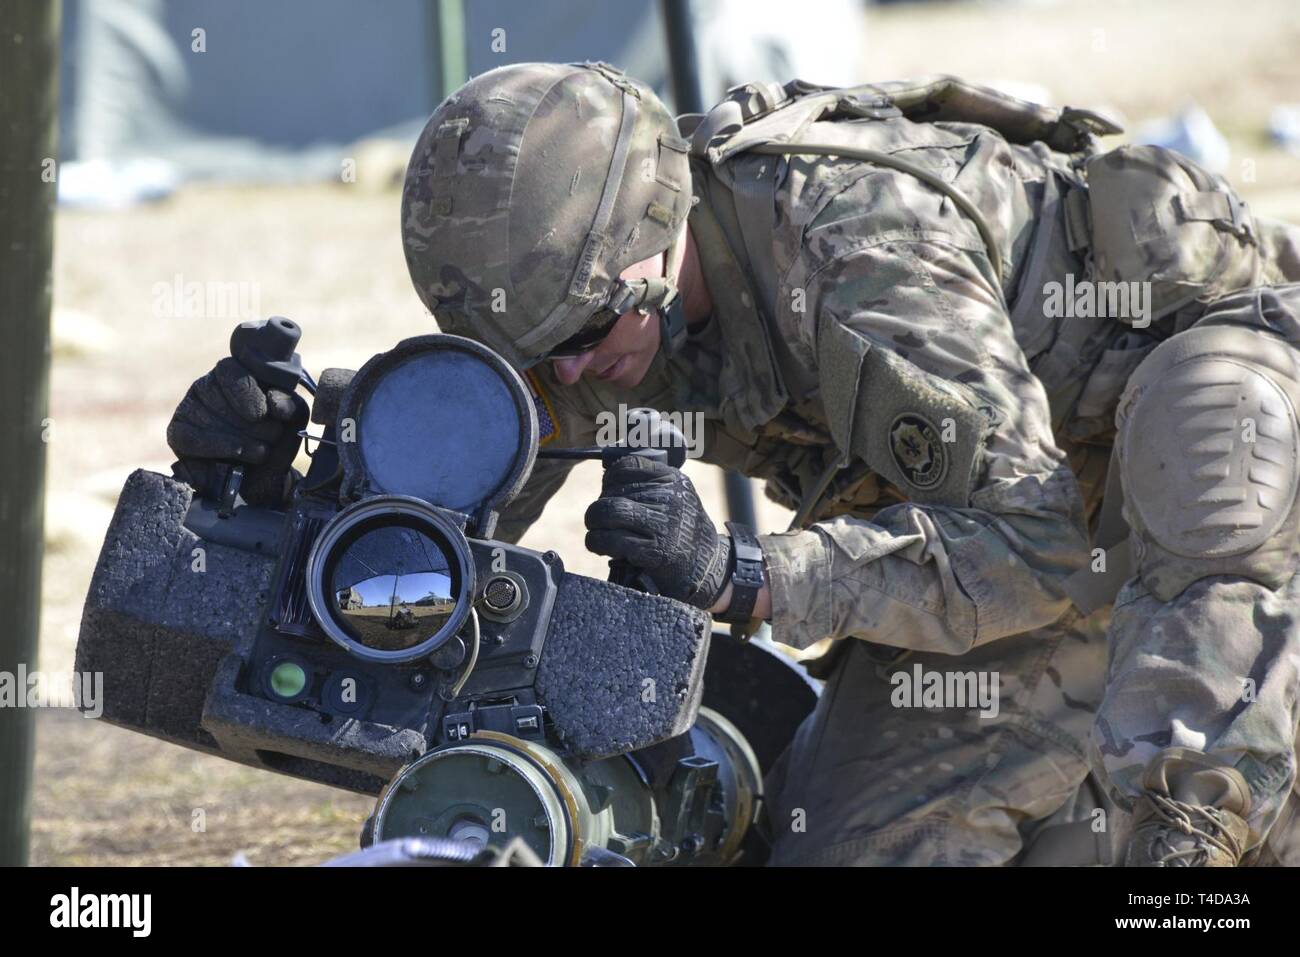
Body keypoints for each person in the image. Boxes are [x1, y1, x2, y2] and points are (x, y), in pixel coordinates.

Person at [168, 61, 1300, 866]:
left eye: (571, 346)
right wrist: (286, 489)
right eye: (517, 361)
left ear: (661, 246)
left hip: (1141, 502)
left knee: (1205, 474)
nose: (559, 384)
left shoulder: (858, 254)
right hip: (987, 547)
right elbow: (435, 547)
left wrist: (741, 575)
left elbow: (1035, 549)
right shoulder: (584, 304)